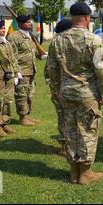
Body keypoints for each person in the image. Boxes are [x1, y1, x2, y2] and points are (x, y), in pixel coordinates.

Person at [46, 3, 103, 185]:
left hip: (66, 92)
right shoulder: (93, 40)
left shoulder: (57, 40)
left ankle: (74, 171)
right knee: (88, 131)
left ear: (72, 16)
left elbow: (51, 69)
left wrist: (58, 89)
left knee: (71, 131)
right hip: (86, 94)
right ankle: (85, 172)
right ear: (88, 17)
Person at [7, 15, 46, 126]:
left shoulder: (29, 36)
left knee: (29, 94)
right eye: (27, 22)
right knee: (21, 94)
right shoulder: (14, 37)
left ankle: (27, 114)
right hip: (21, 71)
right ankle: (22, 117)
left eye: (30, 22)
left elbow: (31, 52)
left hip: (31, 70)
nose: (29, 24)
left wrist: (40, 56)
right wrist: (16, 71)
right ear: (19, 24)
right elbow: (11, 56)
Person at [44, 19, 73, 157]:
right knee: (64, 117)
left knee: (67, 117)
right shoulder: (58, 45)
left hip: (65, 87)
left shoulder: (59, 44)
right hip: (61, 87)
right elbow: (50, 69)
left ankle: (69, 145)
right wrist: (55, 88)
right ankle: (63, 146)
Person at [0, 20, 19, 137]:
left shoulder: (7, 42)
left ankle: (5, 122)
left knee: (8, 100)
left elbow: (13, 59)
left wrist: (16, 72)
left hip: (9, 74)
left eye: (3, 28)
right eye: (1, 28)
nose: (3, 30)